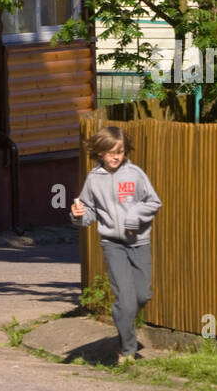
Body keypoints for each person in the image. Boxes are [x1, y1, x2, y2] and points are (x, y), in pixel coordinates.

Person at [69, 126, 161, 364]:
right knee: (125, 298)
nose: (115, 157)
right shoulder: (93, 179)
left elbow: (153, 202)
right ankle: (127, 349)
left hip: (139, 242)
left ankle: (124, 322)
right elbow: (88, 211)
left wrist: (134, 217)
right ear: (99, 152)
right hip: (112, 244)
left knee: (142, 295)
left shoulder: (135, 174)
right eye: (110, 152)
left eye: (119, 151)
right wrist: (79, 214)